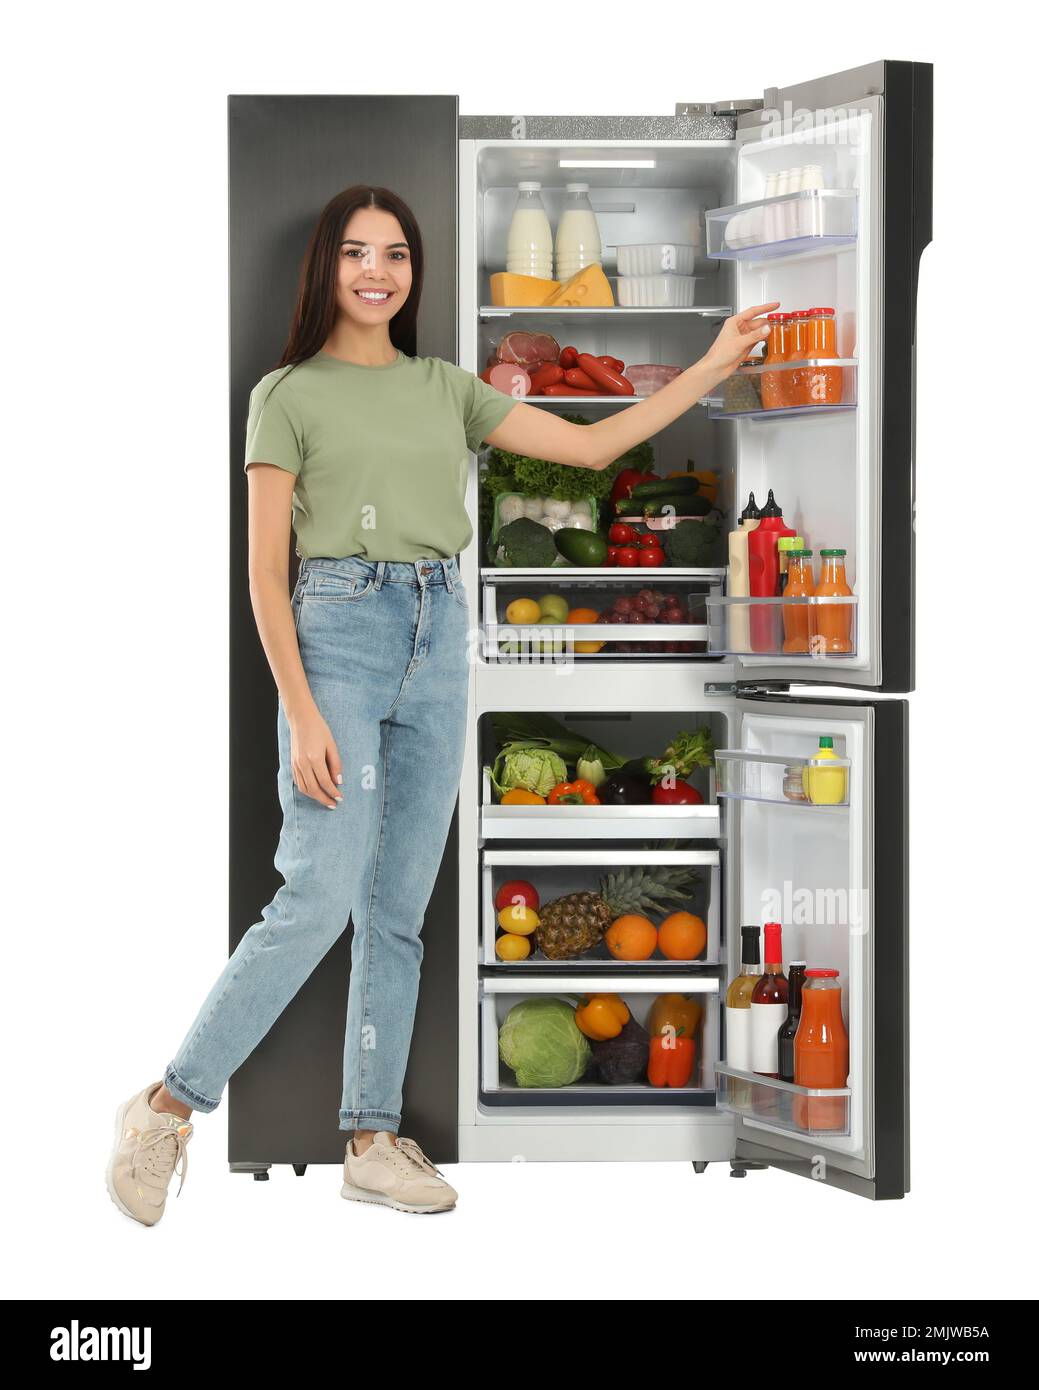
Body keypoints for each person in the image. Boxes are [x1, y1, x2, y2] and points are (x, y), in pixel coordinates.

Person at [106, 182, 775, 1224]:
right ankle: (165, 1108)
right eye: (358, 253)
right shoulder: (285, 394)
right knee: (316, 899)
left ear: (414, 272)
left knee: (397, 913)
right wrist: (305, 712)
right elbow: (262, 575)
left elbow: (595, 448)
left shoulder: (447, 388)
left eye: (397, 255)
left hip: (437, 633)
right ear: (327, 265)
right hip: (338, 635)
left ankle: (372, 1136)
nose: (378, 271)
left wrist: (711, 363)